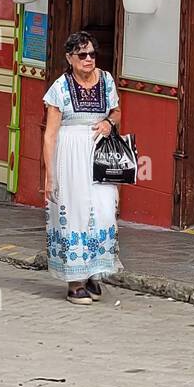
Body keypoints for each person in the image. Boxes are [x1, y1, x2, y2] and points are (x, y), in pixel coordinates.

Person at [42, 31, 123, 305]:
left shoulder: (107, 80)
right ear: (69, 58)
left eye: (91, 54)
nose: (88, 59)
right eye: (82, 55)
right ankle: (75, 281)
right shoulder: (60, 87)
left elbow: (117, 111)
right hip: (71, 156)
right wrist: (49, 175)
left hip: (99, 155)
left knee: (102, 212)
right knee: (75, 212)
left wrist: (109, 123)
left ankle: (93, 273)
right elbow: (50, 134)